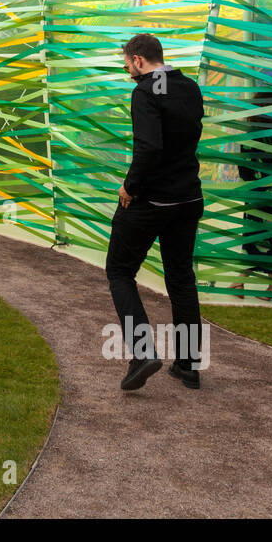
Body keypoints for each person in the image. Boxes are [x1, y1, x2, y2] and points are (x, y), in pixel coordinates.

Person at [105, 33, 206, 391]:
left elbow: (148, 148)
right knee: (180, 278)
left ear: (138, 60)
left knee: (118, 271)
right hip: (188, 198)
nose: (125, 68)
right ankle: (189, 365)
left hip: (152, 201)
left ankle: (142, 353)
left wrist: (129, 188)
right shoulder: (191, 88)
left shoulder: (144, 92)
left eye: (127, 62)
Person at [230, 90, 272, 300]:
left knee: (255, 238)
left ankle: (241, 282)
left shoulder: (252, 135)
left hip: (258, 198)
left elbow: (244, 168)